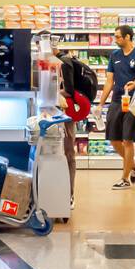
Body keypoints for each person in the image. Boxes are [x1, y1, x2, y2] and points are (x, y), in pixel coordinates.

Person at [96, 24, 135, 190]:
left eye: (118, 36)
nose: (115, 39)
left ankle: (125, 178)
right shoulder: (114, 55)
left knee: (128, 140)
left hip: (134, 102)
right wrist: (100, 104)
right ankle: (133, 164)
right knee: (114, 140)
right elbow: (109, 81)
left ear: (128, 37)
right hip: (116, 101)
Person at [50, 36, 92, 201]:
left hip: (66, 114)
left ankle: (69, 194)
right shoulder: (50, 61)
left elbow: (69, 90)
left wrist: (52, 93)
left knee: (68, 153)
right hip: (55, 112)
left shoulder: (64, 62)